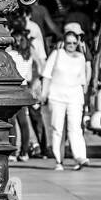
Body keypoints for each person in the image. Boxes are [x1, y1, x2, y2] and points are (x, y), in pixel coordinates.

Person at [41, 23, 90, 170]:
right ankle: (58, 160)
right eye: (69, 43)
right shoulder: (57, 54)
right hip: (57, 95)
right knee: (57, 128)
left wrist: (85, 96)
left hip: (75, 96)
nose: (72, 45)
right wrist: (44, 93)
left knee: (75, 128)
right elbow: (46, 75)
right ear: (64, 43)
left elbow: (83, 80)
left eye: (75, 43)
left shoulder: (81, 57)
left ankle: (80, 157)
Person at [7, 30, 43, 162]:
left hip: (12, 88)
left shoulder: (9, 55)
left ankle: (12, 151)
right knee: (23, 122)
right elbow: (28, 76)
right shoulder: (28, 56)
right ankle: (24, 151)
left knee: (12, 121)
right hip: (24, 87)